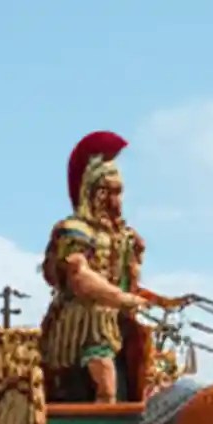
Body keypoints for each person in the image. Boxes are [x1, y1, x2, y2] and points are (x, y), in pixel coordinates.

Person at [39, 131, 184, 403]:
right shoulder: (75, 231)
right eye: (113, 192)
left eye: (121, 192)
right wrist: (123, 299)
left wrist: (161, 301)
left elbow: (126, 284)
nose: (119, 200)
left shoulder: (124, 237)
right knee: (105, 379)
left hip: (116, 320)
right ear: (97, 193)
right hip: (83, 321)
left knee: (142, 370)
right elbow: (80, 277)